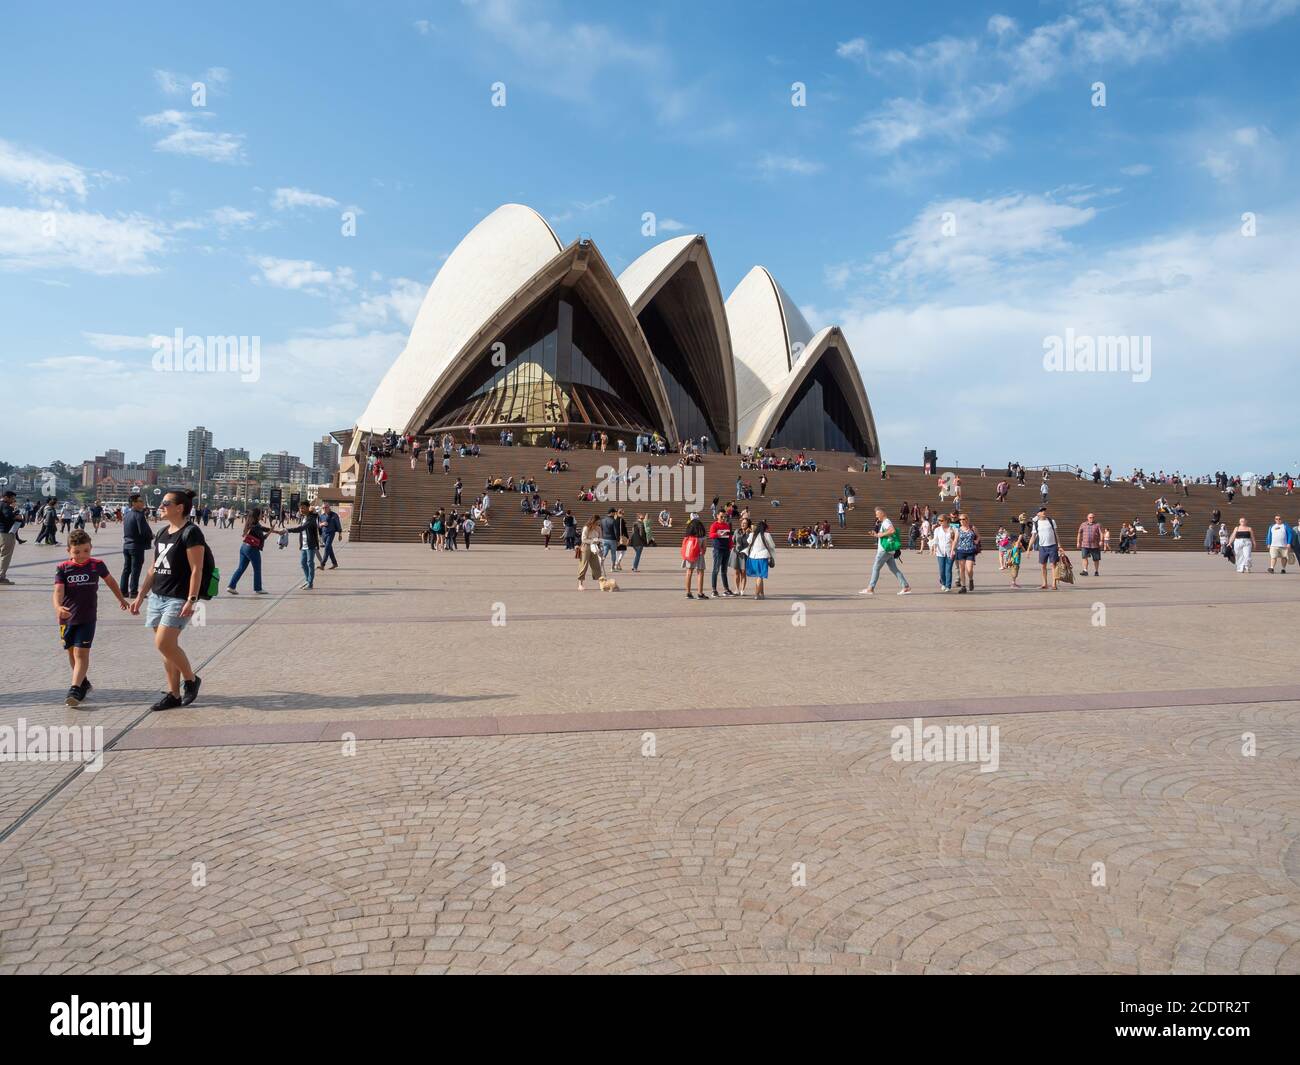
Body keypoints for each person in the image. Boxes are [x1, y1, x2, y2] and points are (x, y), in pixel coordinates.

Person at [131, 489, 206, 711]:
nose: (160, 506)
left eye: (165, 503)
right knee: (166, 648)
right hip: (157, 595)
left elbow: (197, 569)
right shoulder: (162, 532)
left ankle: (191, 680)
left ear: (179, 507)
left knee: (163, 643)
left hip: (178, 597)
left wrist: (191, 600)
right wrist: (140, 595)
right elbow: (153, 568)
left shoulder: (192, 532)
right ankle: (173, 694)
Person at [55, 528, 129, 706]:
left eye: (86, 551)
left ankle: (74, 688)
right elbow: (58, 590)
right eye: (77, 552)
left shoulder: (97, 565)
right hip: (67, 619)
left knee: (81, 653)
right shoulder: (63, 568)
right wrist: (58, 607)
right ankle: (83, 683)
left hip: (88, 617)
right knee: (72, 653)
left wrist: (121, 599)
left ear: (91, 548)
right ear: (69, 551)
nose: (82, 555)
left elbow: (110, 581)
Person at [862, 506, 912, 596]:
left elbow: (892, 531)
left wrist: (881, 534)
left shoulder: (886, 522)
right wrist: (877, 535)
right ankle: (906, 587)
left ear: (882, 513)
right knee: (894, 569)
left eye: (877, 514)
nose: (877, 517)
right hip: (889, 551)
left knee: (875, 568)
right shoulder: (885, 522)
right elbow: (886, 534)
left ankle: (870, 588)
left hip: (884, 551)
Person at [227, 507, 271, 594]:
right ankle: (258, 588)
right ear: (257, 515)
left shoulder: (251, 524)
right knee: (257, 569)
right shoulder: (257, 526)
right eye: (261, 514)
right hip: (252, 549)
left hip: (243, 548)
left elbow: (264, 528)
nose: (262, 515)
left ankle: (231, 586)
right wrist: (270, 532)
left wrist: (274, 531)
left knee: (240, 568)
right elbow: (263, 538)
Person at [282, 503, 320, 589]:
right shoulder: (304, 517)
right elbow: (301, 529)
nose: (301, 510)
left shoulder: (311, 519)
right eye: (300, 508)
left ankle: (310, 583)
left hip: (311, 544)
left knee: (310, 563)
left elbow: (301, 528)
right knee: (303, 563)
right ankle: (307, 580)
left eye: (303, 508)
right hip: (304, 544)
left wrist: (288, 529)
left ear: (307, 508)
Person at [1029, 506, 1061, 590]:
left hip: (1052, 546)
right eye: (1041, 511)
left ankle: (1054, 584)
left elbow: (1056, 534)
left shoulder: (1051, 521)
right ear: (1038, 513)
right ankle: (1044, 583)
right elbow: (1033, 536)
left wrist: (1059, 545)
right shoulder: (1036, 524)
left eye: (1044, 510)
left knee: (1053, 565)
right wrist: (1029, 549)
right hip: (1042, 547)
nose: (1043, 512)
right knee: (1043, 566)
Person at [744, 519, 777, 600]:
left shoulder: (752, 534)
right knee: (760, 576)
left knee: (759, 576)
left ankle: (762, 594)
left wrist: (751, 531)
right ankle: (756, 594)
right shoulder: (767, 535)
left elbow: (748, 542)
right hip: (762, 557)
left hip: (753, 557)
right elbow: (772, 545)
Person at [708, 511, 734, 597]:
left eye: (724, 517)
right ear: (717, 516)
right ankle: (714, 590)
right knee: (716, 569)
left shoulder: (726, 525)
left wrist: (731, 546)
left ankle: (726, 589)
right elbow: (711, 535)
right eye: (721, 517)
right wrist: (718, 534)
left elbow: (729, 536)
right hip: (718, 549)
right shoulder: (714, 525)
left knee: (724, 570)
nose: (723, 518)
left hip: (726, 549)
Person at [682, 515, 708, 599]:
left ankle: (688, 592)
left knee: (689, 572)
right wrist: (702, 552)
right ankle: (700, 593)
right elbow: (704, 547)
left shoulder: (688, 535)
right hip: (699, 554)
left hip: (689, 554)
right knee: (700, 573)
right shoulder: (702, 535)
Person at [953, 514, 979, 593]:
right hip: (960, 551)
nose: (961, 521)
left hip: (970, 551)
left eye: (963, 519)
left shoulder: (972, 528)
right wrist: (952, 550)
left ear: (967, 519)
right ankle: (963, 587)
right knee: (962, 569)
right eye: (960, 519)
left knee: (969, 569)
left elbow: (978, 536)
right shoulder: (958, 529)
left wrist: (977, 541)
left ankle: (971, 580)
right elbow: (955, 540)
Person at [0, 489, 22, 584]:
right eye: (12, 498)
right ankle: (1, 577)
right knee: (5, 555)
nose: (13, 500)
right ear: (6, 497)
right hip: (6, 534)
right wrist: (17, 516)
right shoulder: (5, 506)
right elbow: (8, 517)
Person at [931, 513, 956, 592]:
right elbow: (935, 540)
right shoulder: (937, 530)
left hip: (950, 551)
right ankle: (943, 583)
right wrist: (934, 549)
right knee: (942, 570)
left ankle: (948, 586)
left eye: (941, 520)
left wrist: (953, 549)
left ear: (946, 521)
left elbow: (955, 540)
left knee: (948, 569)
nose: (940, 522)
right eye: (939, 521)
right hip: (940, 552)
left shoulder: (952, 529)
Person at [577, 515, 603, 590]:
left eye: (599, 522)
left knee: (596, 565)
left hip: (595, 547)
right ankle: (580, 584)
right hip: (586, 547)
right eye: (597, 522)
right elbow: (583, 539)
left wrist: (600, 544)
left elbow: (600, 538)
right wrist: (592, 541)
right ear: (593, 521)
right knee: (584, 565)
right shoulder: (586, 528)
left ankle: (601, 583)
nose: (598, 523)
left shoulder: (598, 528)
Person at [1076, 512, 1103, 577]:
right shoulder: (1083, 524)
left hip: (1095, 544)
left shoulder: (1098, 525)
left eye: (1093, 517)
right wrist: (1078, 542)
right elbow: (1079, 533)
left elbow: (1101, 533)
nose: (1092, 518)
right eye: (1090, 517)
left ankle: (1096, 571)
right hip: (1085, 544)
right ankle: (1085, 570)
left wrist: (1101, 541)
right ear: (1087, 518)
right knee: (1084, 557)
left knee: (1096, 559)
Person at [318, 503, 343, 569]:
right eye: (323, 508)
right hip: (324, 534)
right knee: (329, 549)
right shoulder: (321, 516)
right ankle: (335, 563)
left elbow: (338, 524)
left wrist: (340, 534)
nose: (324, 509)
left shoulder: (334, 515)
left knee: (327, 548)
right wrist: (322, 524)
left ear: (329, 507)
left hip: (331, 533)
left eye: (326, 507)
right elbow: (319, 525)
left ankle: (322, 564)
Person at [731, 516, 751, 596]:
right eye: (742, 523)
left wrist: (748, 533)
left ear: (748, 525)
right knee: (736, 572)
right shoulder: (737, 531)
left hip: (745, 554)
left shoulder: (750, 533)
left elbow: (750, 542)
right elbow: (733, 540)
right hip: (736, 553)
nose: (743, 524)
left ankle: (742, 589)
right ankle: (736, 589)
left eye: (745, 523)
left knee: (743, 572)